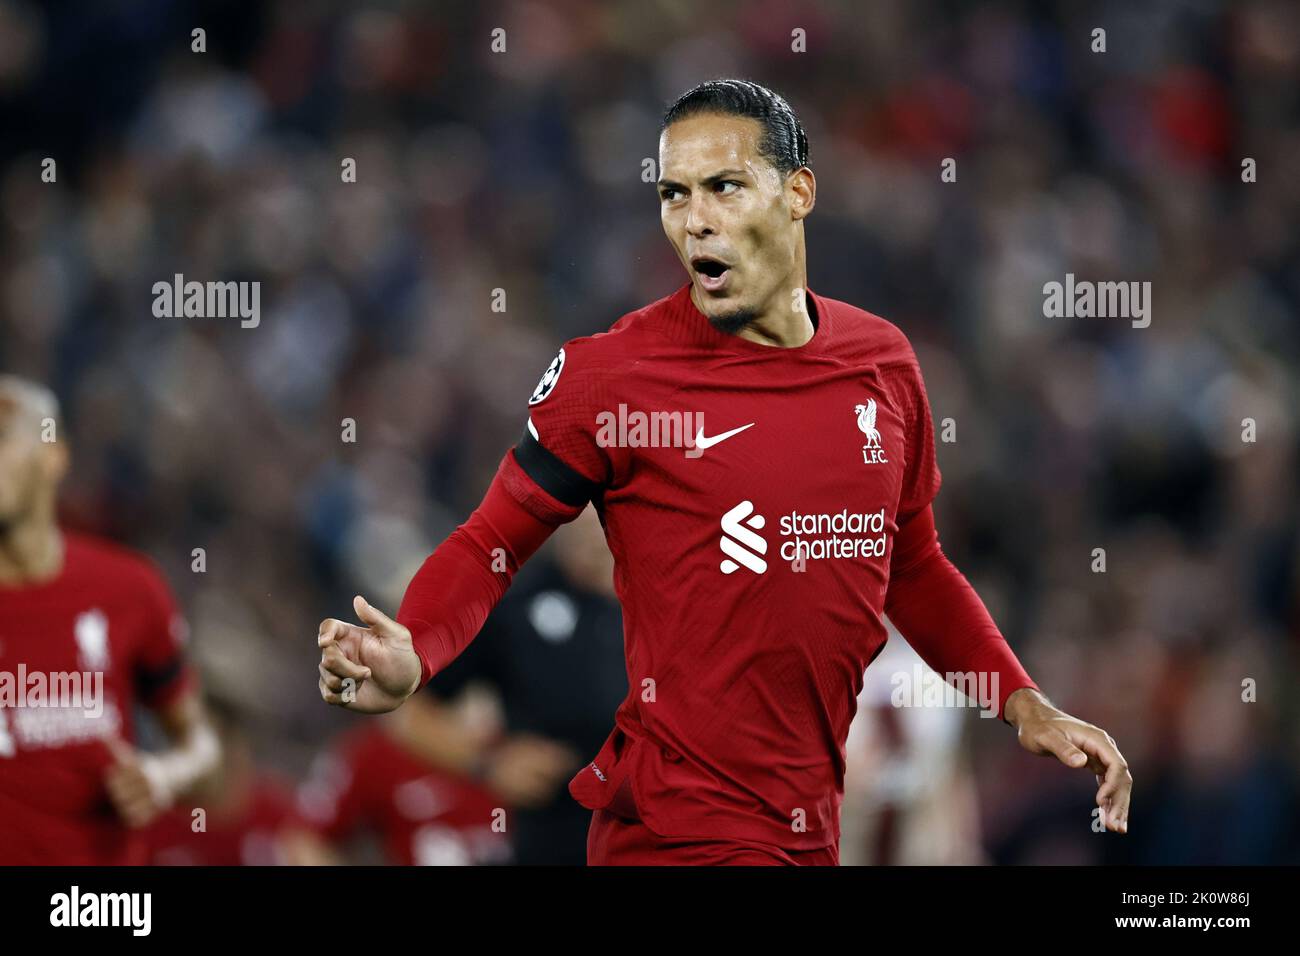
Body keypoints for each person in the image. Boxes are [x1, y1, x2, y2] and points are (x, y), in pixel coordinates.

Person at [315, 79, 1132, 865]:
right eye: (674, 194)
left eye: (725, 187)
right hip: (677, 832)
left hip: (806, 831)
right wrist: (415, 651)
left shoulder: (883, 364)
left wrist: (1021, 702)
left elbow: (912, 566)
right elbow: (492, 539)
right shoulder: (614, 379)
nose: (695, 221)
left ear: (799, 193)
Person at [0, 375, 220, 864]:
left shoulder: (129, 590)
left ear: (54, 455)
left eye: (2, 434)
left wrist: (165, 775)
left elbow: (202, 746)